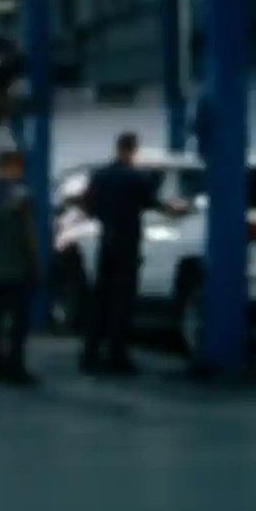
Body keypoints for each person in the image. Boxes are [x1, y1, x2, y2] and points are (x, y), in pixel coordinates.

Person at [80, 131, 186, 375]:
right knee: (122, 302)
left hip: (106, 241)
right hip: (127, 243)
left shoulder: (100, 175)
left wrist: (105, 216)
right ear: (133, 150)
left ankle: (90, 354)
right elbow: (154, 202)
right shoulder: (136, 178)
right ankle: (117, 355)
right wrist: (175, 209)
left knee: (101, 300)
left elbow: (89, 206)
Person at [0, 150, 39, 386]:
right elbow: (27, 234)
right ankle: (15, 367)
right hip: (15, 268)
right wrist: (35, 264)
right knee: (17, 322)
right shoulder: (21, 195)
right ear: (13, 167)